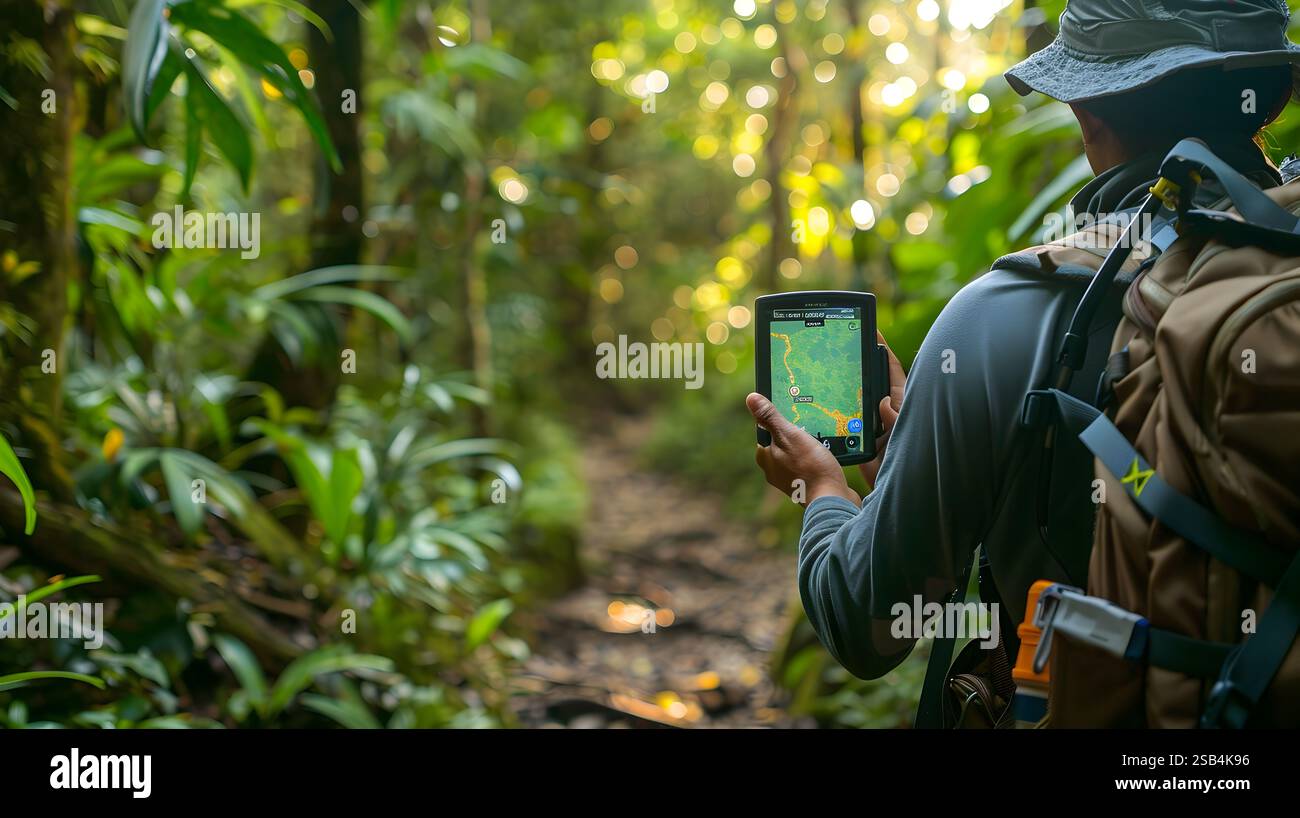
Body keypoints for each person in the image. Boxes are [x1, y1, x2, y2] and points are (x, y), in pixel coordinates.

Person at [746, 0, 1300, 724]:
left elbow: (868, 622)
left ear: (1086, 106)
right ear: (1263, 94)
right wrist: (906, 473)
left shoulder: (1009, 313)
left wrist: (820, 489)